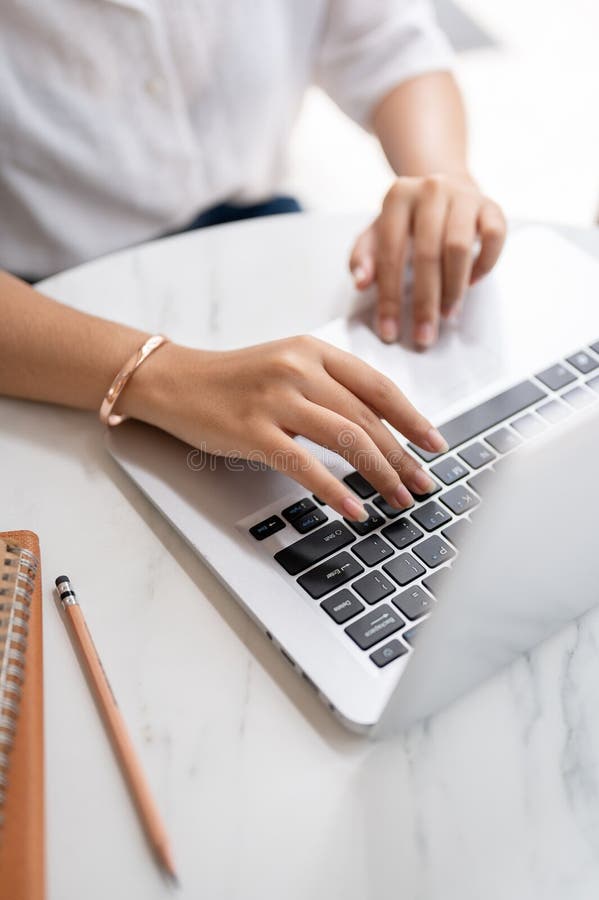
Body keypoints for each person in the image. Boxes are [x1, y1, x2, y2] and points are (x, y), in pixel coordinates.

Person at [0, 0, 505, 522]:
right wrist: (162, 375)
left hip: (258, 227)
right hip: (41, 312)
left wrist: (441, 178)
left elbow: (391, 42)